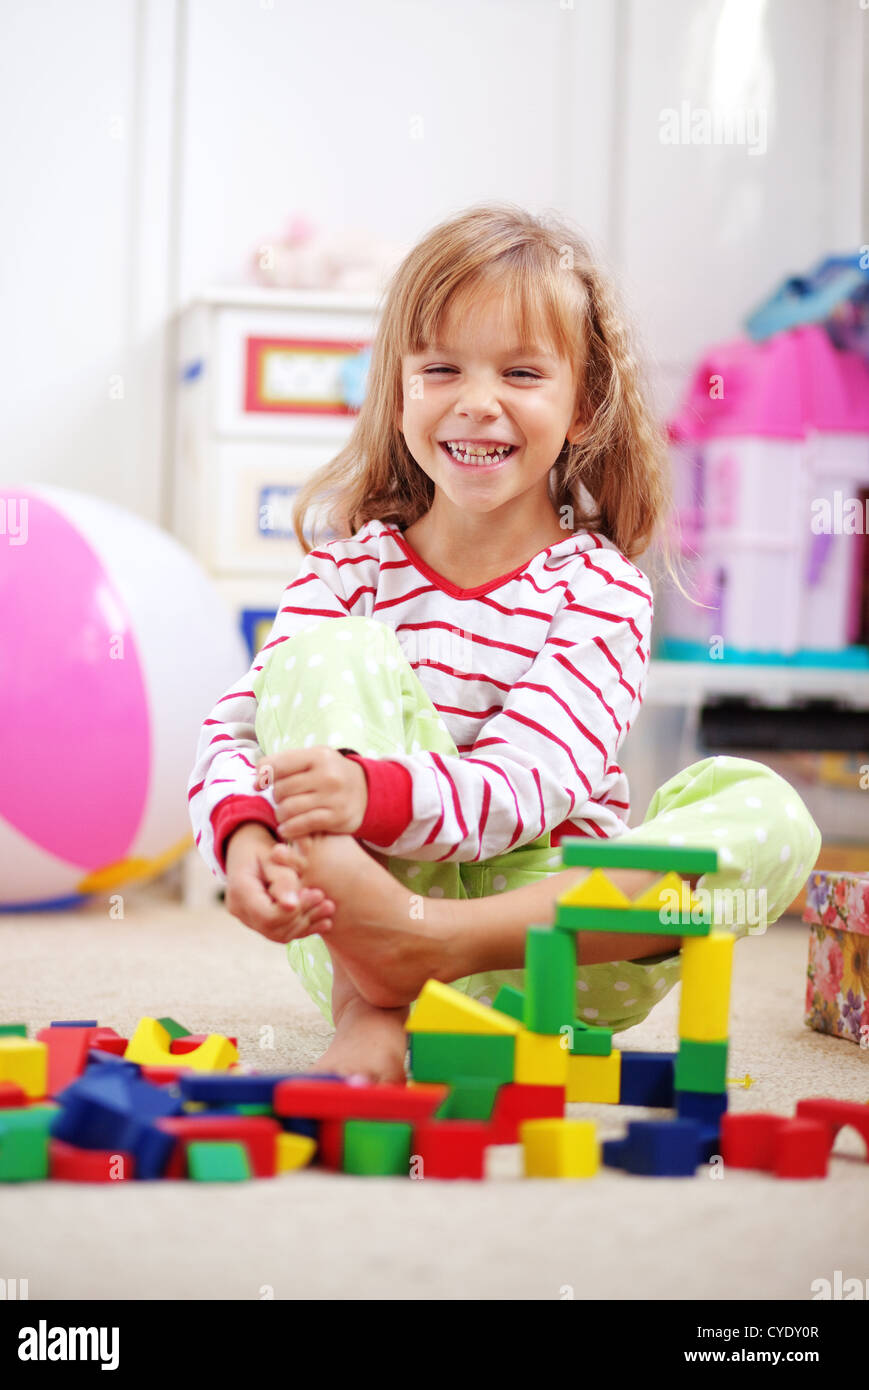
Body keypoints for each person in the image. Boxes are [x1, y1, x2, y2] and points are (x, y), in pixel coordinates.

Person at [187, 203, 821, 1083]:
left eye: (521, 372)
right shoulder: (344, 577)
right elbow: (236, 735)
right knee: (323, 657)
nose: (476, 402)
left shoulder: (599, 591)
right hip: (356, 925)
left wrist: (376, 810)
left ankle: (414, 968)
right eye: (440, 368)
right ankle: (370, 1004)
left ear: (581, 405)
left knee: (771, 813)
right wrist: (246, 838)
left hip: (541, 954)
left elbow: (533, 783)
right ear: (399, 390)